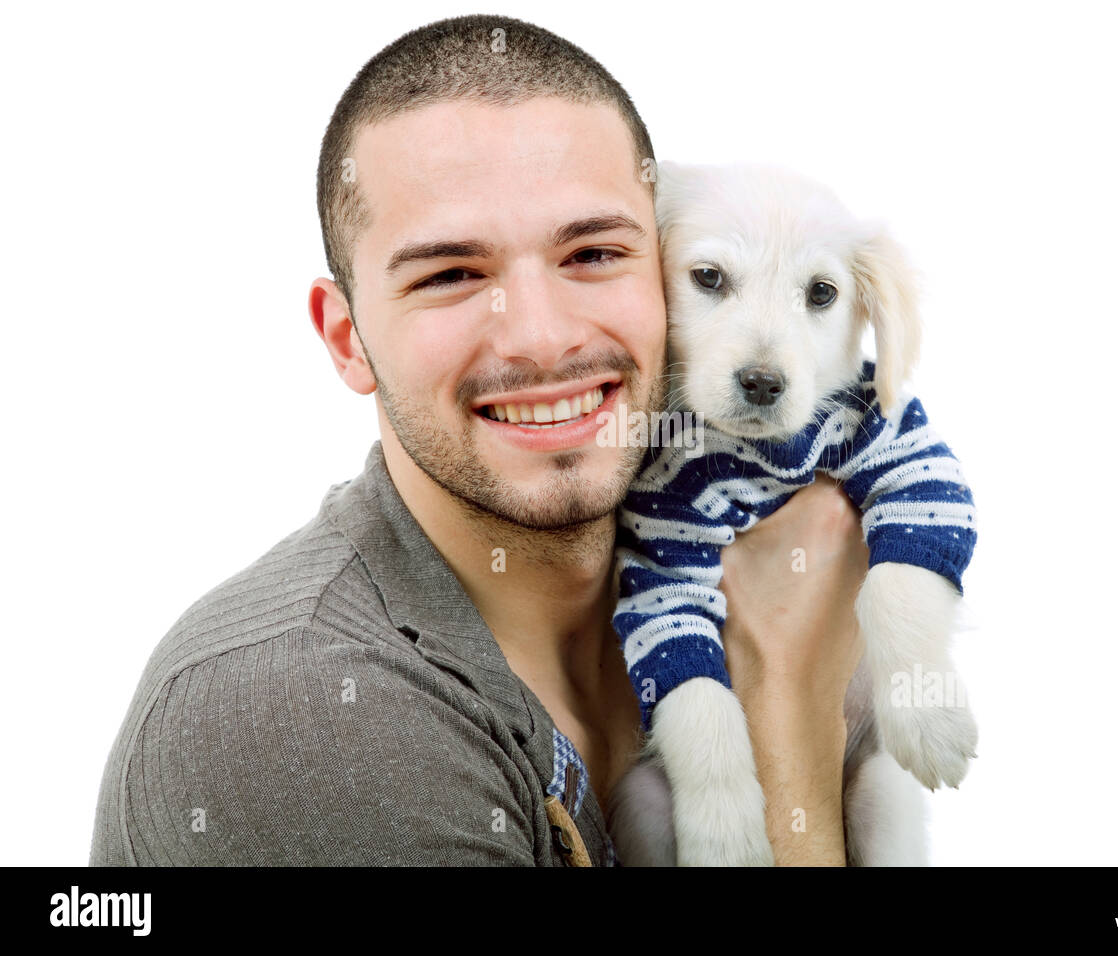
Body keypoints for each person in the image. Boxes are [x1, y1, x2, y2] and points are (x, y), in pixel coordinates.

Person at [89, 13, 870, 867]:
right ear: (348, 337)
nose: (539, 337)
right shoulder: (299, 716)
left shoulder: (737, 555)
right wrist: (792, 713)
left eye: (594, 254)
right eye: (453, 274)